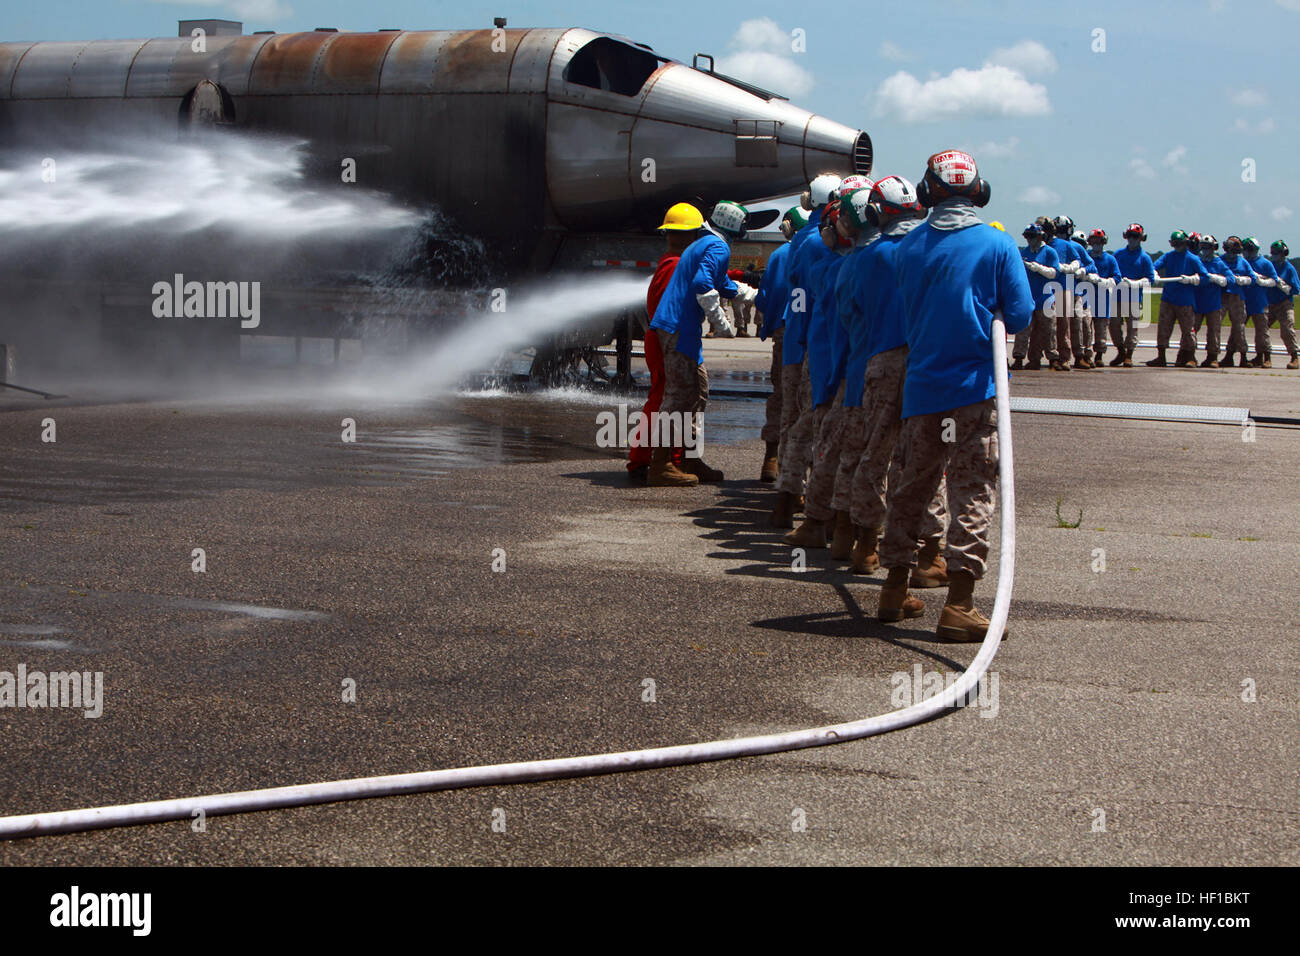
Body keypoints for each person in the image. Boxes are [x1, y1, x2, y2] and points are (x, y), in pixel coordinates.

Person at [879, 149, 1033, 641]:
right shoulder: (997, 245)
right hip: (974, 389)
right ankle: (960, 606)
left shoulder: (907, 248)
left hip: (923, 387)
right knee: (971, 490)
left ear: (928, 191)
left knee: (912, 487)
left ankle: (893, 588)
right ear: (978, 191)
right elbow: (1022, 312)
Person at [837, 175, 947, 580]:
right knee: (926, 457)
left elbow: (849, 314)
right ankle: (929, 555)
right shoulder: (929, 249)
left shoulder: (864, 257)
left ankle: (865, 547)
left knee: (874, 451)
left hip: (880, 360)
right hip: (926, 360)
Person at [647, 200, 756, 485]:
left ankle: (691, 459)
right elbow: (703, 285)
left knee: (698, 391)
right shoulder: (717, 247)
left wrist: (755, 293)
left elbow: (724, 285)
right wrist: (722, 324)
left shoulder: (705, 243)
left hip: (679, 328)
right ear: (735, 224)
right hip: (679, 327)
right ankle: (661, 464)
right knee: (679, 395)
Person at [785, 197, 859, 550]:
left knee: (826, 439)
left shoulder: (816, 254)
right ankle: (850, 531)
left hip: (829, 364)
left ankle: (821, 519)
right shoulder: (882, 259)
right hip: (853, 369)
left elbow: (798, 297)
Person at [771, 173, 841, 528]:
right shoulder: (827, 243)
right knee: (820, 425)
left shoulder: (802, 240)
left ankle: (790, 494)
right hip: (824, 347)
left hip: (803, 341)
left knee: (796, 423)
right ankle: (816, 503)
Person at [627, 203, 700, 484]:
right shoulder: (676, 266)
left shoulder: (671, 263)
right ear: (692, 236)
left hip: (661, 339)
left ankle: (670, 458)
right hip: (665, 341)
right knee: (663, 400)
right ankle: (646, 460)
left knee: (668, 398)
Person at [755, 207, 806, 482]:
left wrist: (771, 324)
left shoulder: (780, 256)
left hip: (786, 334)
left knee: (782, 396)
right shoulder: (825, 249)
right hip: (816, 335)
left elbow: (766, 299)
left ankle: (772, 459)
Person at [1147, 230, 1208, 367]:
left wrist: (1194, 279)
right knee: (1163, 328)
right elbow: (1153, 266)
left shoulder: (1193, 259)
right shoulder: (1168, 256)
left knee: (1188, 330)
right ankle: (1161, 357)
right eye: (1175, 244)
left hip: (1185, 301)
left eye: (1180, 243)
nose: (1178, 246)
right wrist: (1154, 273)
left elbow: (1205, 277)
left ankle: (1191, 357)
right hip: (1168, 299)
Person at [1049, 214, 1096, 368]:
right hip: (1052, 291)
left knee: (1077, 325)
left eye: (1064, 231)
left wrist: (1082, 271)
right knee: (1055, 327)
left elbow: (1092, 266)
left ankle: (1079, 356)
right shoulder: (1051, 246)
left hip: (1075, 291)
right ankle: (1056, 357)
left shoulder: (1076, 247)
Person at [1017, 222, 1061, 370]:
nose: (1029, 240)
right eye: (1027, 236)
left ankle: (1053, 358)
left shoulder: (1049, 252)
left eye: (1032, 236)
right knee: (1024, 330)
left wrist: (1038, 268)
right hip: (1028, 298)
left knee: (1049, 331)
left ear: (1040, 237)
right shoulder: (1024, 253)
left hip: (1045, 298)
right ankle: (1021, 358)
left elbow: (1054, 273)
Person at [1112, 223, 1156, 367]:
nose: (1132, 239)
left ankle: (1129, 354)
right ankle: (1121, 351)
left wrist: (1135, 283)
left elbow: (1150, 279)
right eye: (1130, 236)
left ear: (1141, 238)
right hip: (1117, 297)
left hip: (1134, 299)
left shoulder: (1145, 258)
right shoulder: (1118, 254)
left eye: (1135, 236)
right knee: (1113, 325)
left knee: (1133, 327)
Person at [1192, 235, 1233, 368]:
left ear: (1214, 248)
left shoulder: (1219, 263)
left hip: (1214, 304)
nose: (1205, 250)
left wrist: (1219, 279)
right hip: (1197, 302)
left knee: (1214, 331)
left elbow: (1230, 279)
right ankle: (1189, 355)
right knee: (1191, 330)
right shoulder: (1197, 261)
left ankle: (1212, 357)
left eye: (1208, 247)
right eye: (1203, 247)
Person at [1240, 237, 1280, 367]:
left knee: (1262, 331)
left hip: (1260, 302)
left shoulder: (1266, 263)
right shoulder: (1243, 262)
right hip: (1244, 301)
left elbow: (1274, 281)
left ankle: (1265, 356)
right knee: (1239, 329)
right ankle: (1240, 356)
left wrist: (1261, 282)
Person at [1085, 229, 1122, 366]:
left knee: (1101, 330)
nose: (1096, 244)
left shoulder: (1110, 259)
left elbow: (1118, 277)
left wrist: (1105, 281)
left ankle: (1099, 355)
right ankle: (1087, 355)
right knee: (1086, 330)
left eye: (1099, 241)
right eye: (1094, 241)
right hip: (1087, 300)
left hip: (1103, 301)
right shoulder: (1086, 257)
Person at [1218, 236, 1256, 367]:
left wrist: (1243, 280)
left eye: (1235, 251)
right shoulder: (1220, 260)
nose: (1232, 254)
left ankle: (1243, 356)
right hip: (1222, 296)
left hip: (1237, 297)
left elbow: (1253, 278)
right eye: (1230, 250)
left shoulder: (1243, 262)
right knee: (1215, 324)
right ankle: (1212, 356)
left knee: (1239, 327)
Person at [1265, 240, 1300, 370]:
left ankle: (1294, 357)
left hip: (1284, 303)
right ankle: (1265, 357)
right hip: (1269, 303)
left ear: (1283, 253)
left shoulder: (1289, 268)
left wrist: (1283, 285)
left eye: (1277, 253)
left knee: (1287, 329)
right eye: (1273, 253)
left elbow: (1296, 289)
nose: (1274, 255)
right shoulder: (1269, 266)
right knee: (1262, 329)